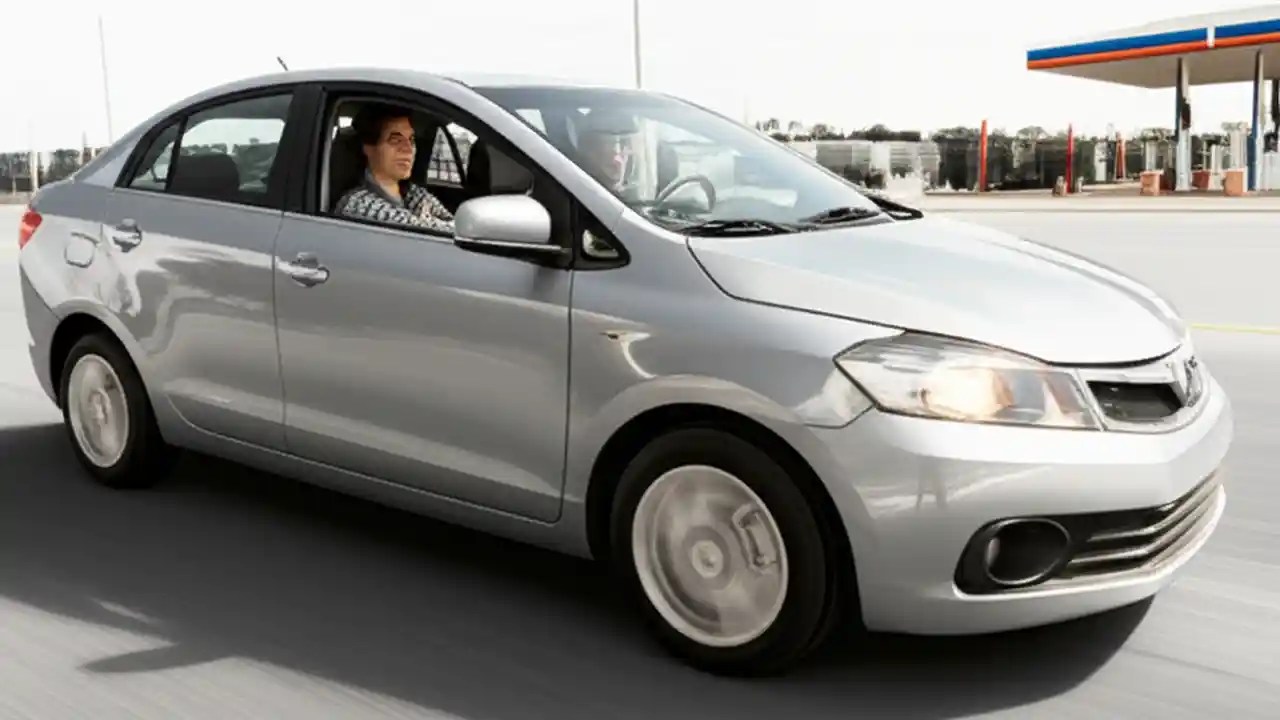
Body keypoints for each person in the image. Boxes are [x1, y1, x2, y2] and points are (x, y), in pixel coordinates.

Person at [333, 103, 455, 234]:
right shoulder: (358, 205)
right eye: (396, 140)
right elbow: (429, 232)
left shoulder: (413, 193)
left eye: (411, 140)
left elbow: (456, 225)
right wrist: (426, 219)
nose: (408, 149)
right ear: (368, 148)